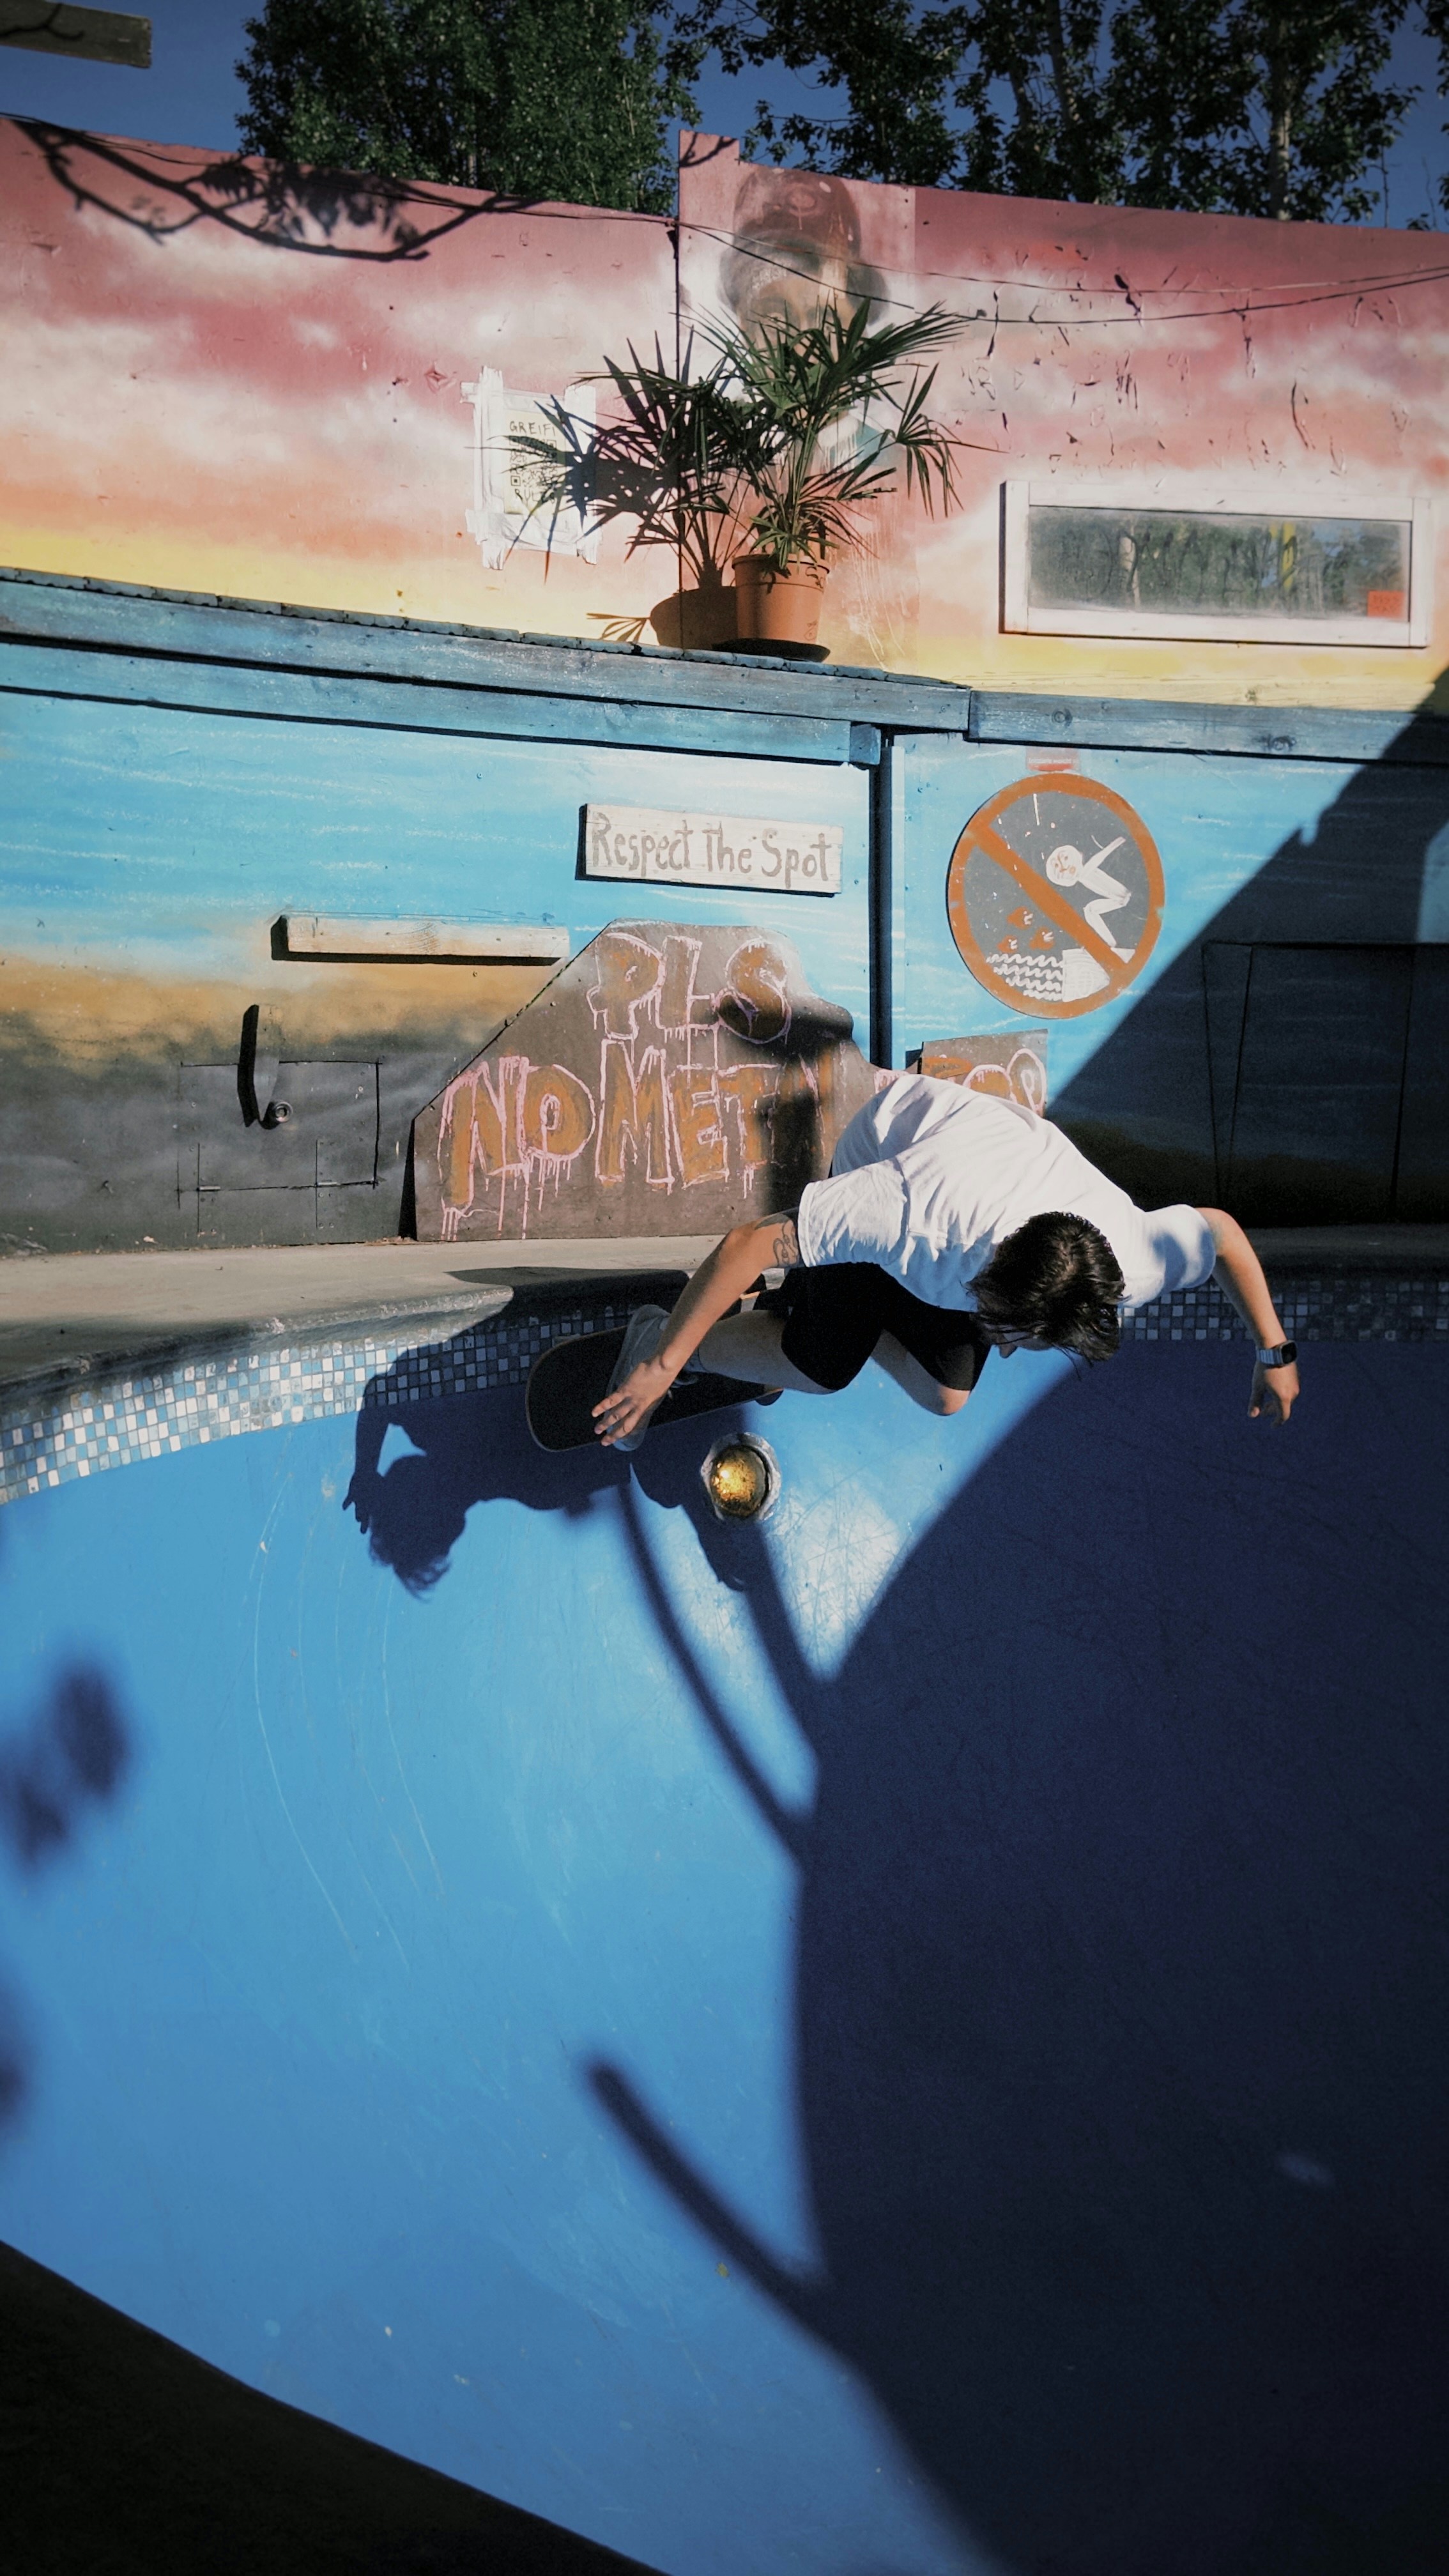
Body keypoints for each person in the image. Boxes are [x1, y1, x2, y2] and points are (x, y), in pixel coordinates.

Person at [592, 1073, 1300, 1451]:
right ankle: (661, 1336)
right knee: (822, 1369)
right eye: (1015, 1334)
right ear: (987, 1287)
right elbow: (746, 1244)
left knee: (946, 1398)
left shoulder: (1132, 1260)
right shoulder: (904, 1220)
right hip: (883, 1151)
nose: (1016, 1354)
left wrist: (1275, 1351)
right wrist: (658, 1373)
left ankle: (787, 1327)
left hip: (987, 1189)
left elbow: (1224, 1235)